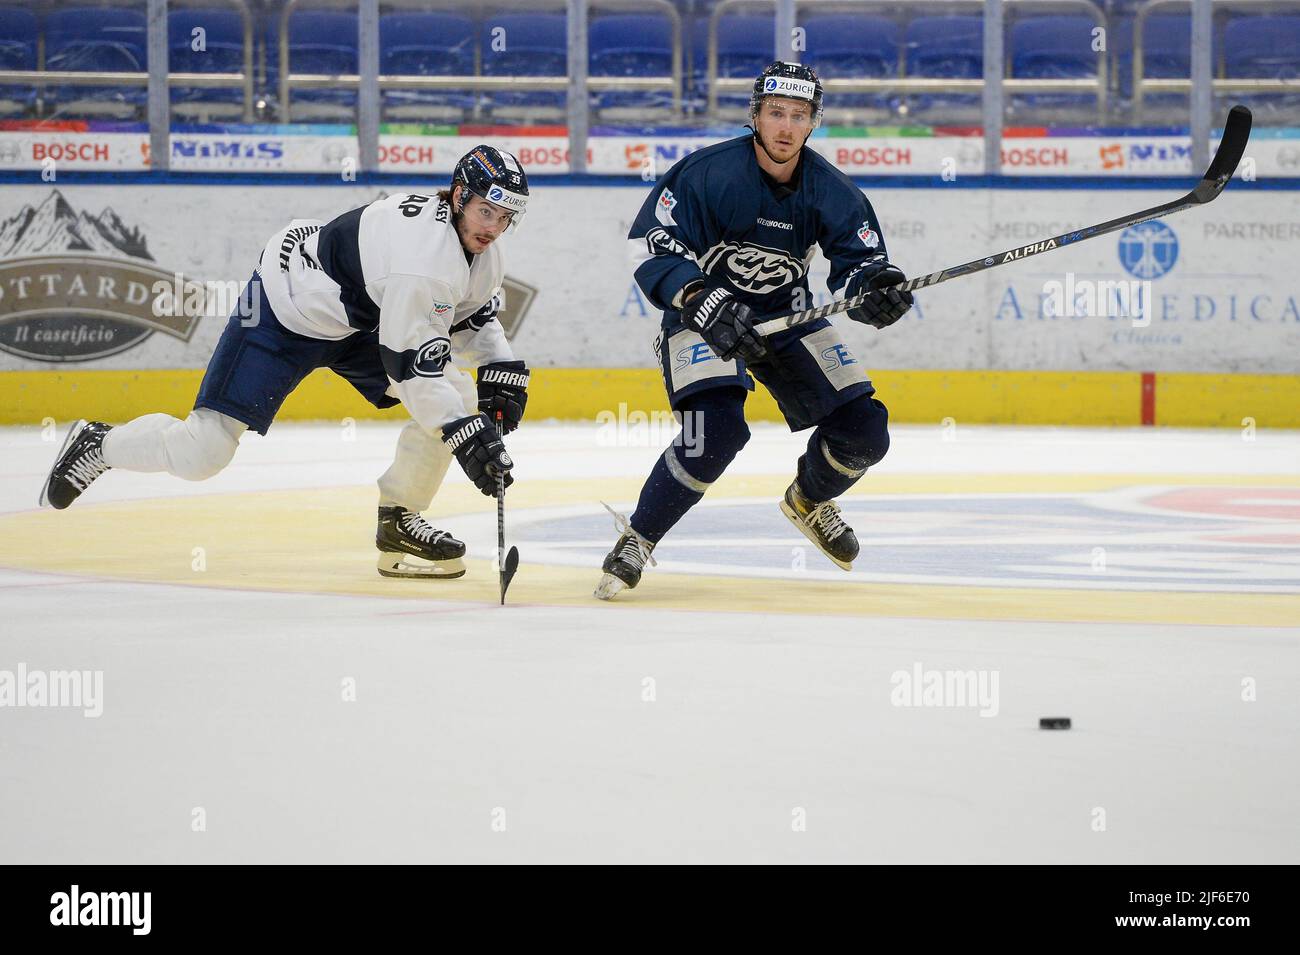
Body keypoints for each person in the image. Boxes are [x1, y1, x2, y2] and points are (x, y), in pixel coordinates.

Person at [41, 145, 532, 580]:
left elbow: (470, 314)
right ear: (457, 194)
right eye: (486, 211)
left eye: (505, 217)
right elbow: (409, 365)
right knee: (202, 453)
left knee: (459, 399)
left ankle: (398, 521)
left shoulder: (477, 250)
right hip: (287, 308)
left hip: (359, 316)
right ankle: (100, 444)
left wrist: (499, 365)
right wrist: (467, 437)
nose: (493, 228)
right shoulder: (420, 262)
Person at [596, 61, 914, 599]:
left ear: (814, 122)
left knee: (865, 430)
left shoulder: (833, 192)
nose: (786, 127)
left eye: (798, 115)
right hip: (706, 317)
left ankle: (810, 501)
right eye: (775, 113)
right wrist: (698, 297)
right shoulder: (708, 174)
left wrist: (875, 291)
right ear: (755, 116)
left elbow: (860, 267)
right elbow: (653, 247)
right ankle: (639, 536)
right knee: (715, 433)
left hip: (787, 317)